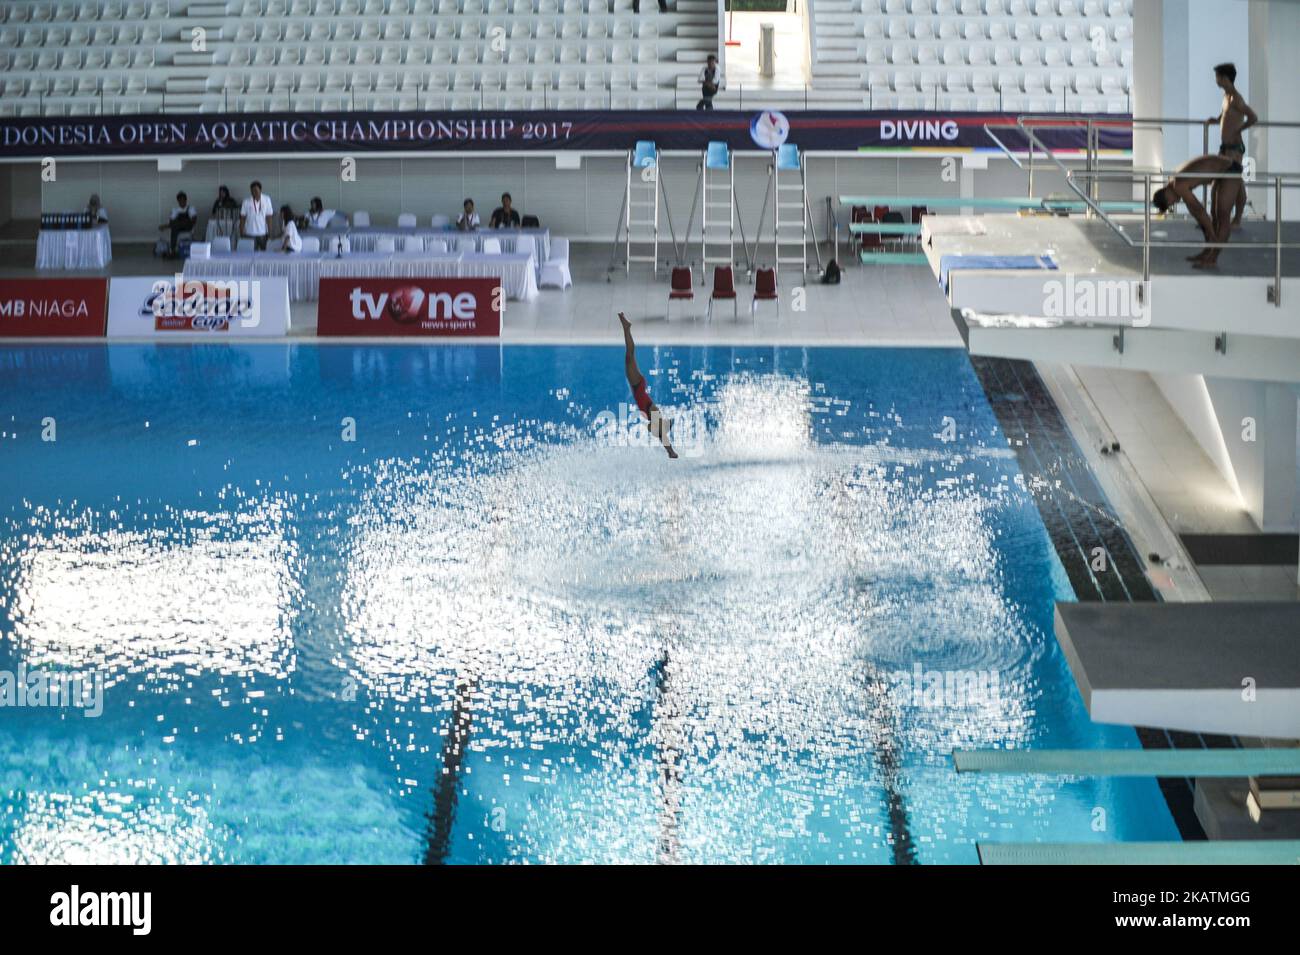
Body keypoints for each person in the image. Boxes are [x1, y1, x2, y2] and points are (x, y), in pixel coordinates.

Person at [1151, 153, 1242, 269]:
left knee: (1223, 215)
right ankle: (1207, 252)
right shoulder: (1174, 182)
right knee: (1213, 215)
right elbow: (1196, 213)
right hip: (1221, 170)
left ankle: (1212, 259)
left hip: (1229, 169)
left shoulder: (1178, 185)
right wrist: (1209, 232)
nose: (1174, 203)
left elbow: (1200, 210)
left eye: (1171, 203)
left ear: (1167, 198)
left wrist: (1212, 234)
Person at [1205, 62, 1257, 229]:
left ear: (1224, 78)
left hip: (1234, 150)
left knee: (1225, 185)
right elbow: (1226, 115)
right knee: (1236, 184)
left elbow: (1253, 117)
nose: (1216, 80)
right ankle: (1230, 219)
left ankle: (1232, 220)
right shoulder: (1226, 96)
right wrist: (1217, 119)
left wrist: (1238, 130)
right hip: (1225, 148)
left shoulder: (1236, 98)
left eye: (1217, 77)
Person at [619, 312, 677, 459]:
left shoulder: (651, 413)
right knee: (629, 355)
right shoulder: (652, 411)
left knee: (630, 355)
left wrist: (669, 450)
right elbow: (660, 434)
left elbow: (659, 433)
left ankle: (626, 328)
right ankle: (626, 328)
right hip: (637, 385)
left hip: (638, 385)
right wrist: (670, 451)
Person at [158, 191, 196, 257]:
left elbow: (194, 221)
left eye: (183, 200)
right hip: (177, 227)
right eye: (180, 201)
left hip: (187, 227)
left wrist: (167, 225)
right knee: (174, 228)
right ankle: (173, 251)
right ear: (178, 201)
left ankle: (172, 251)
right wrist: (170, 225)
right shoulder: (175, 210)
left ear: (186, 200)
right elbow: (171, 222)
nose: (182, 202)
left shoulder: (191, 208)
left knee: (175, 225)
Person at [239, 180, 274, 251]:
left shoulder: (267, 199)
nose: (253, 193)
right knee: (250, 255)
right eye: (252, 191)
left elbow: (269, 217)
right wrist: (241, 231)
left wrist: (270, 232)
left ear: (260, 190)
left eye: (255, 191)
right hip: (249, 233)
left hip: (263, 233)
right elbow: (242, 218)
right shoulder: (246, 201)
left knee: (264, 254)